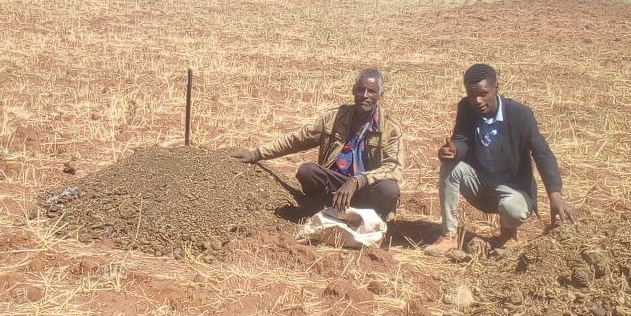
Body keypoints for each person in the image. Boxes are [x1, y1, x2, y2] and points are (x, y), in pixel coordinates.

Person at [425, 63, 577, 255]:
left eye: (484, 93)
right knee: (450, 167)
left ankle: (508, 234)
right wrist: (453, 150)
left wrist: (555, 196)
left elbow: (542, 153)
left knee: (513, 209)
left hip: (512, 189)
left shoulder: (520, 114)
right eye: (472, 95)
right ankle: (449, 236)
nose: (478, 100)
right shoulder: (466, 108)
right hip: (480, 184)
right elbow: (461, 140)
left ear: (496, 87)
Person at [230, 69, 403, 220]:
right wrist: (257, 154)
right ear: (353, 90)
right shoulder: (334, 118)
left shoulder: (390, 128)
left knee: (388, 188)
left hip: (365, 189)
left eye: (371, 91)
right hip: (336, 187)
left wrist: (358, 181)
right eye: (361, 89)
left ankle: (376, 220)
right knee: (307, 171)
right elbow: (297, 139)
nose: (365, 95)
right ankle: (323, 210)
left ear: (381, 95)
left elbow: (393, 168)